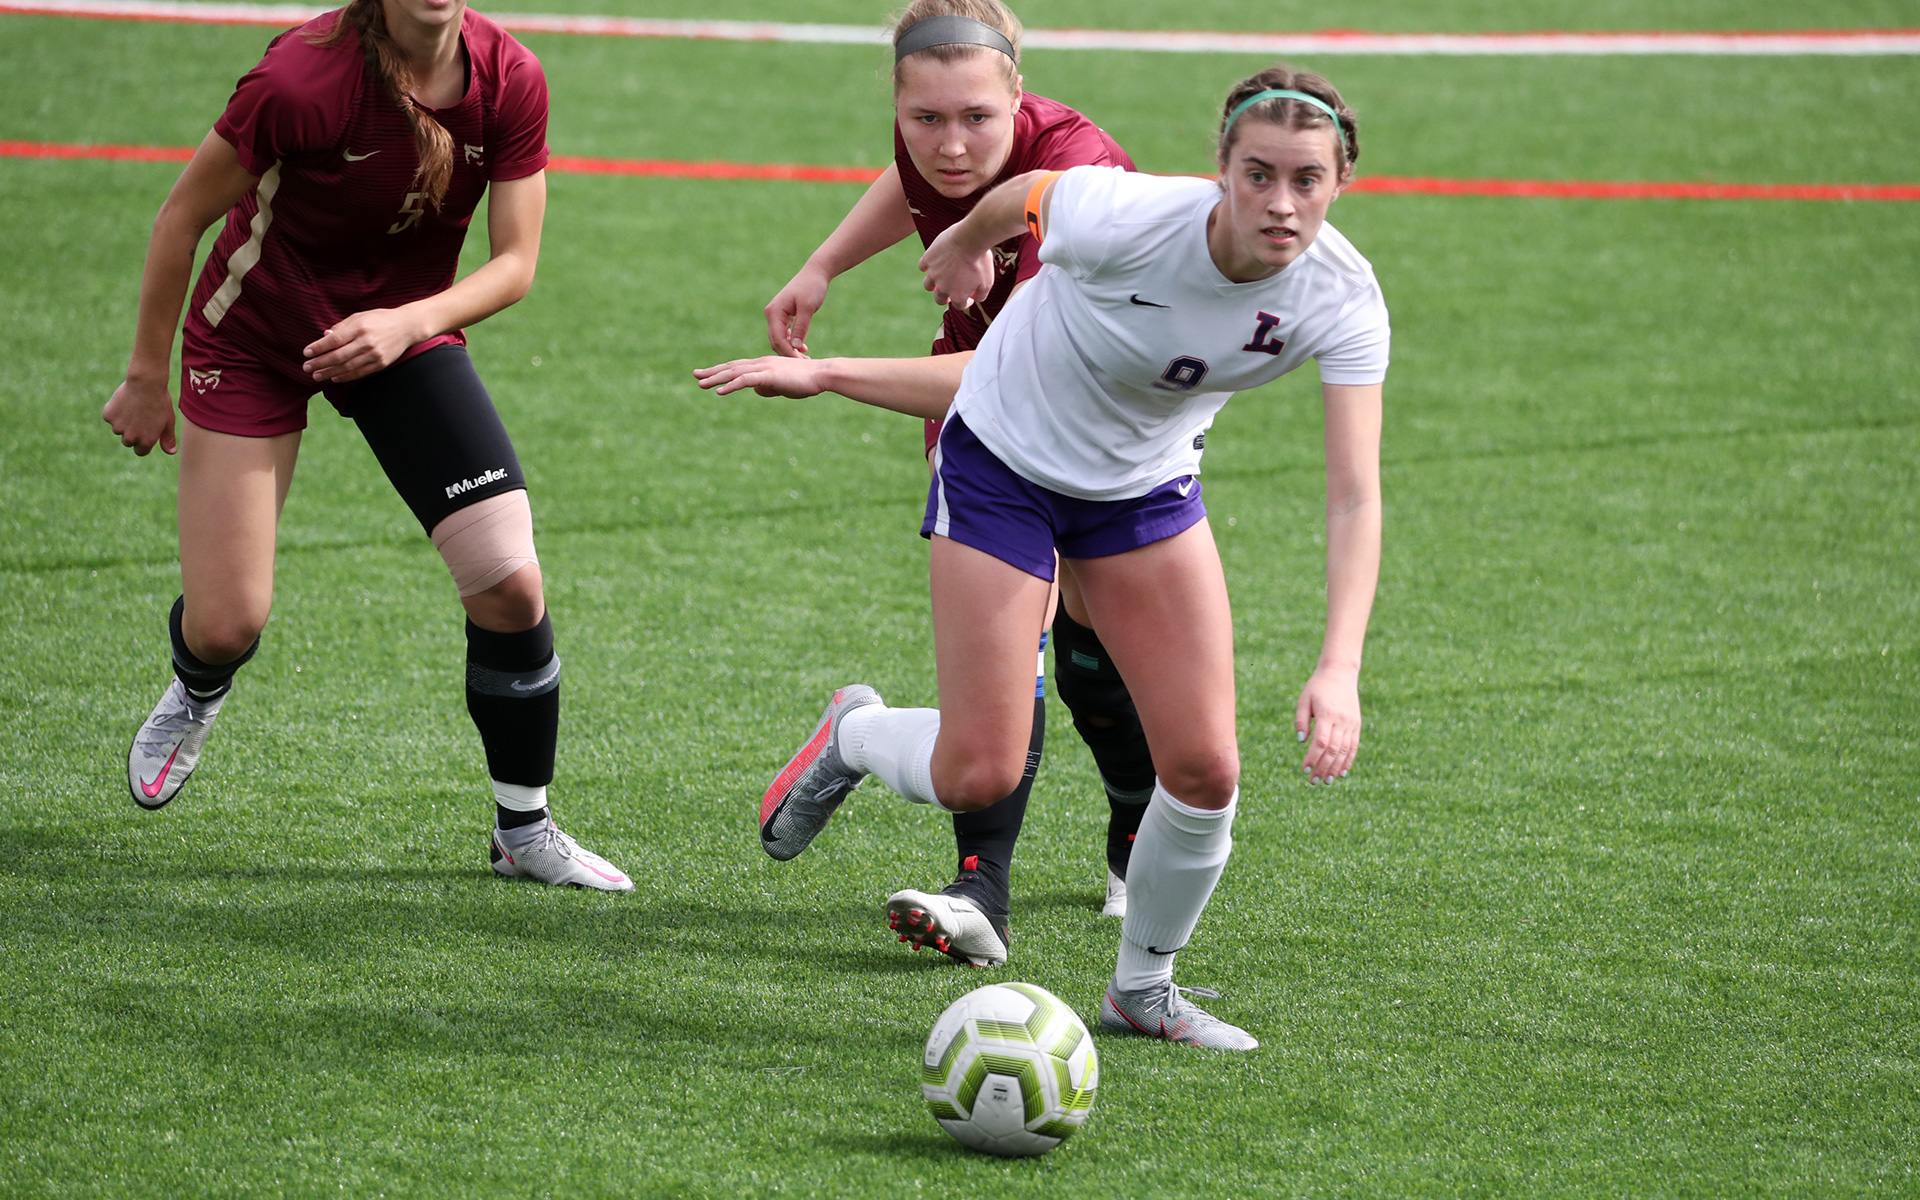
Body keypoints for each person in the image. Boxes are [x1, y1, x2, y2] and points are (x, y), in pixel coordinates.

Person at [699, 65, 1386, 1047]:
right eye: (1258, 175)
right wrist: (963, 244)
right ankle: (856, 734)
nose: (1280, 203)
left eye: (1307, 180)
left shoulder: (1344, 296)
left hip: (1143, 493)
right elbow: (1027, 196)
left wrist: (1339, 667)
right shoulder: (1129, 216)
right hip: (1003, 463)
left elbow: (1355, 493)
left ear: (1340, 180)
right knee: (977, 771)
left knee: (1204, 769)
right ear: (1220, 172)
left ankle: (1141, 989)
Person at [101, 0, 630, 890]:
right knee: (228, 623)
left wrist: (407, 323)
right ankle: (198, 685)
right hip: (254, 337)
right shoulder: (300, 79)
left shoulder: (511, 80)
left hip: (400, 332)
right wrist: (148, 378)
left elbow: (516, 264)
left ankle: (523, 830)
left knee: (509, 581)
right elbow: (179, 219)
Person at [758, 0, 1153, 969]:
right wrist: (822, 266)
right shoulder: (940, 144)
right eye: (923, 119)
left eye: (976, 117)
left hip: (1107, 419)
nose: (948, 143)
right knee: (1012, 642)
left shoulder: (1083, 175)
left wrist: (828, 372)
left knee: (1097, 650)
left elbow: (1035, 372)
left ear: (1021, 96)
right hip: (978, 412)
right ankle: (982, 890)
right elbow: (911, 191)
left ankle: (1124, 832)